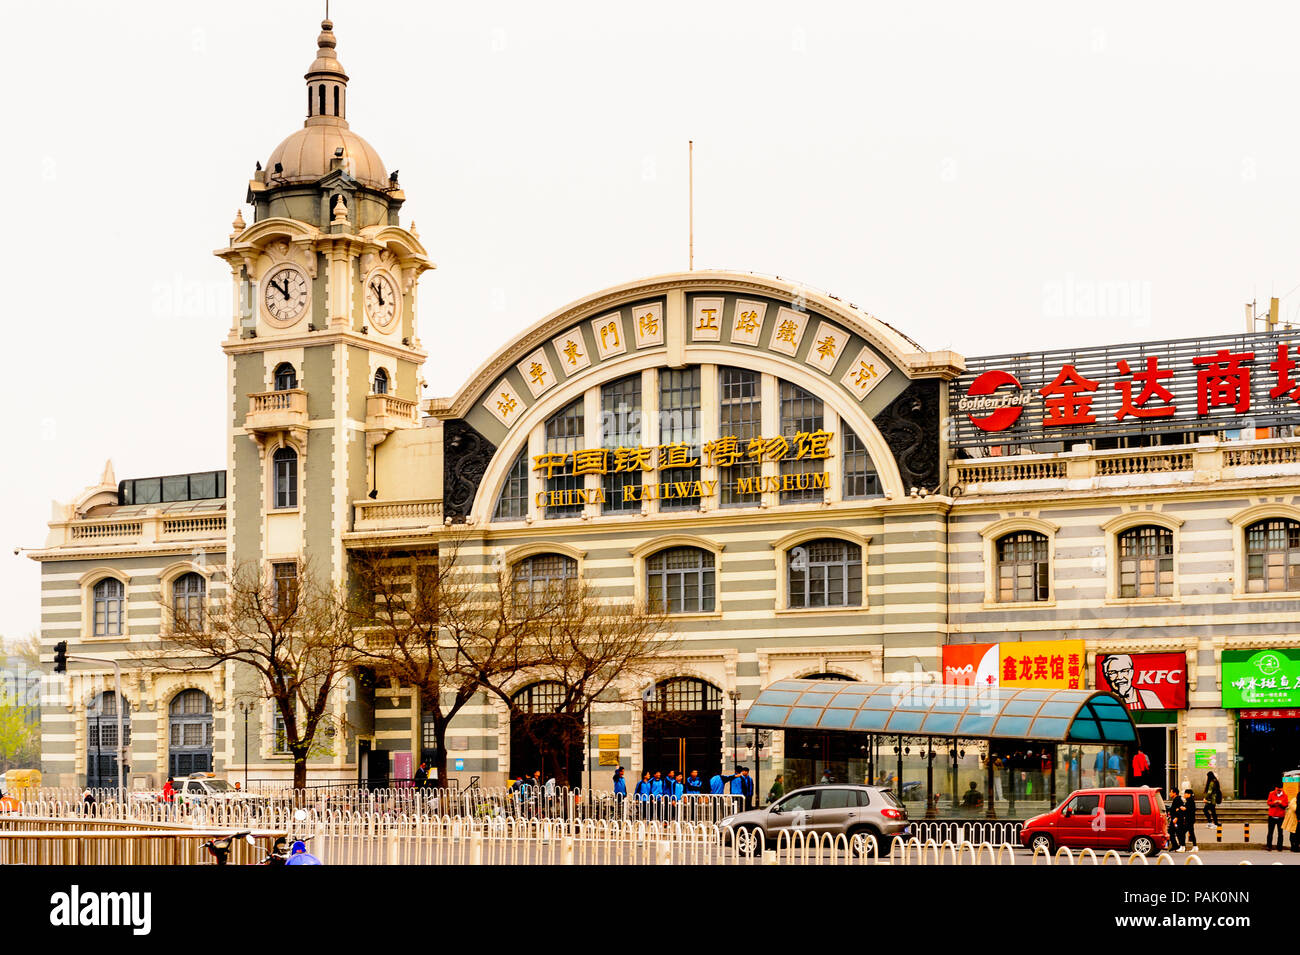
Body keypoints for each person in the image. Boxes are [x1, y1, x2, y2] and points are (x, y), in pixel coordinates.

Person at [1266, 783, 1289, 851]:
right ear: (1275, 789)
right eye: (1277, 790)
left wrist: (1280, 803)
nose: (1278, 791)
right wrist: (1274, 802)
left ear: (1282, 789)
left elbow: (1285, 805)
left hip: (1280, 816)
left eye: (1280, 790)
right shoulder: (1271, 793)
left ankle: (1279, 847)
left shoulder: (1285, 795)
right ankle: (1269, 846)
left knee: (1280, 833)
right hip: (1272, 816)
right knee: (1270, 832)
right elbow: (1268, 802)